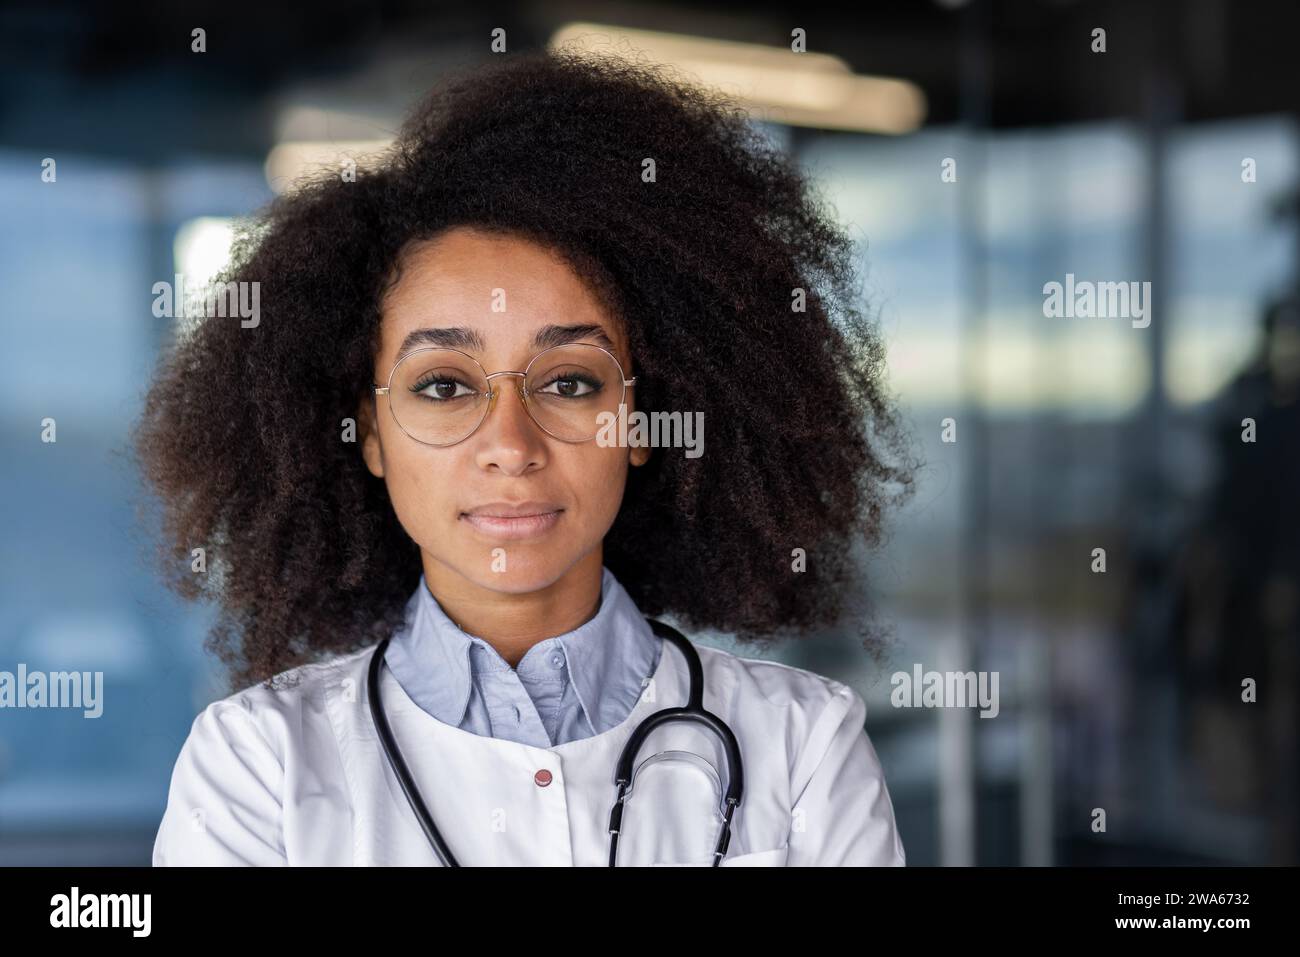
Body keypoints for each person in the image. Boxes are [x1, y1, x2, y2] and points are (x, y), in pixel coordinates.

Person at [135, 48, 912, 866]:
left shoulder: (803, 746)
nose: (510, 445)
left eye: (571, 382)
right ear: (368, 431)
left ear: (642, 420)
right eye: (443, 387)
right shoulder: (256, 766)